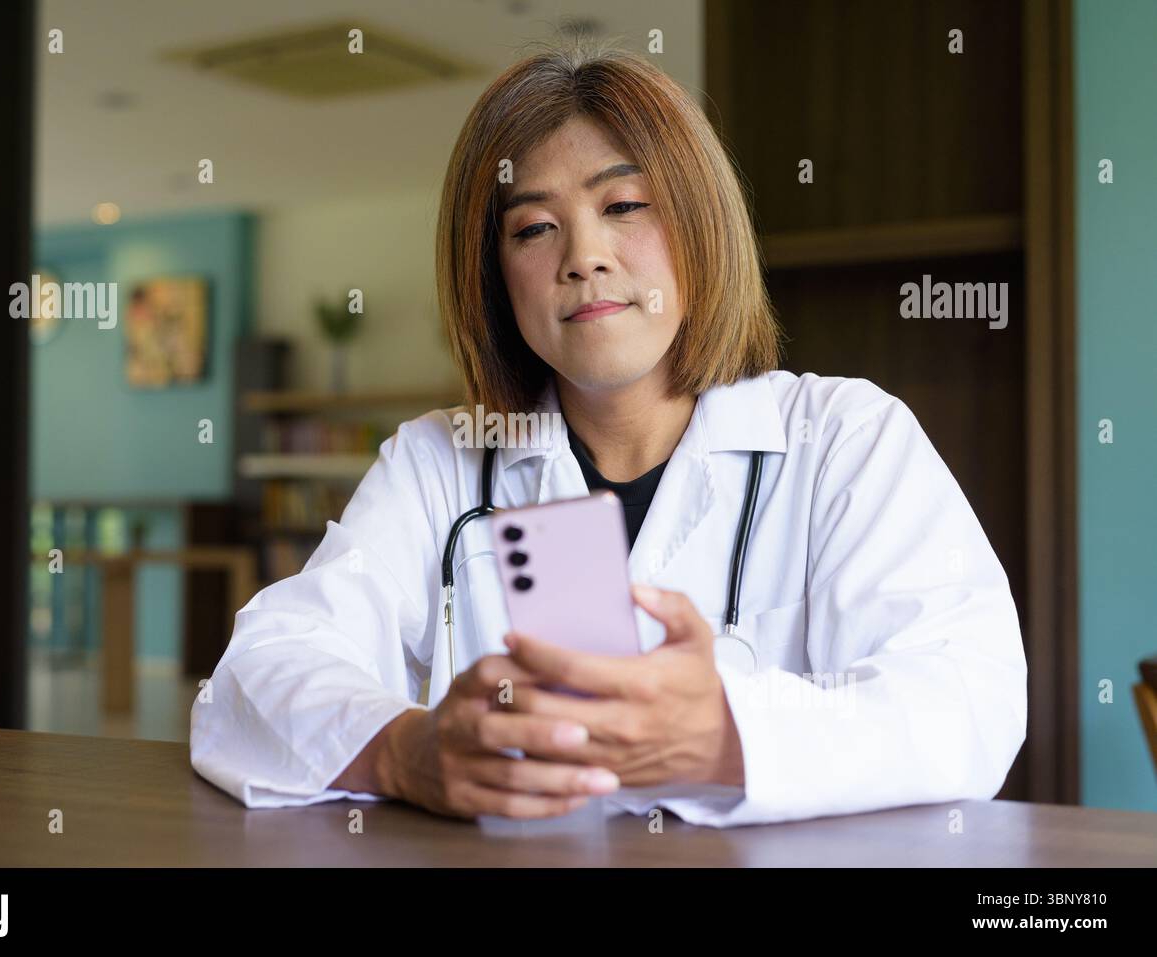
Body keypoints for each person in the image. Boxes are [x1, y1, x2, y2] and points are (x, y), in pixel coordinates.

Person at [189, 44, 1027, 827]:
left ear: (702, 231)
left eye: (623, 205)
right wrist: (406, 752)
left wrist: (727, 734)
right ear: (496, 277)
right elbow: (259, 674)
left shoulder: (847, 438)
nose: (583, 256)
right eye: (532, 227)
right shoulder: (439, 460)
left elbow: (971, 698)